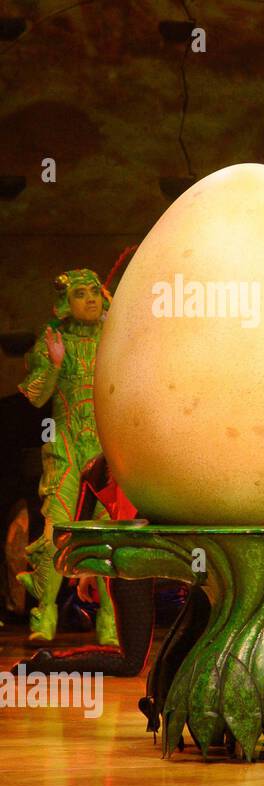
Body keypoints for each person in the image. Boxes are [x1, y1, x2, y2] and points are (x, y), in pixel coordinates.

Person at [17, 269, 118, 645]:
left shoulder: (114, 336)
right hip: (64, 443)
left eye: (95, 292)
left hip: (106, 445)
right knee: (55, 528)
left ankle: (109, 619)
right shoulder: (52, 340)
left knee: (107, 533)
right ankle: (44, 613)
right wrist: (56, 363)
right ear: (64, 304)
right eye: (81, 294)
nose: (90, 299)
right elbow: (36, 397)